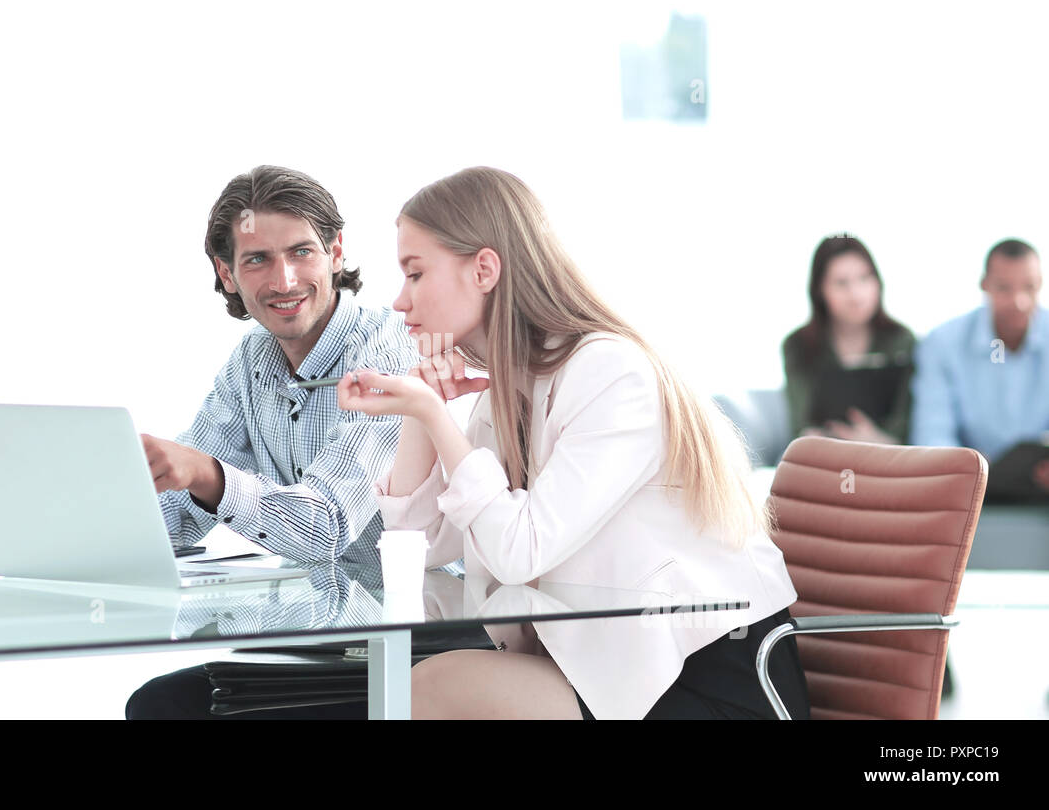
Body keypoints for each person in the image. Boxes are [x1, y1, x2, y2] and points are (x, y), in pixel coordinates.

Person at [338, 167, 810, 719]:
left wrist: (431, 416)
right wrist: (421, 407)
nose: (399, 302)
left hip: (706, 686)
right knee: (414, 684)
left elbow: (520, 551)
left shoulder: (611, 374)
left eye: (415, 274)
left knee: (434, 688)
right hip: (607, 672)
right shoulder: (510, 390)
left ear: (484, 269)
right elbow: (420, 543)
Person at [125, 165, 418, 719]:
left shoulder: (389, 349)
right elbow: (182, 519)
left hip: (408, 638)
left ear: (335, 252)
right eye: (257, 259)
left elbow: (327, 527)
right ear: (227, 272)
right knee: (158, 705)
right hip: (311, 634)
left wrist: (205, 474)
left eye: (302, 252)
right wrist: (95, 513)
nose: (284, 281)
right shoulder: (250, 363)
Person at [911, 238, 1049, 494]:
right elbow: (932, 436)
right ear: (984, 285)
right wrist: (964, 469)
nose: (1018, 301)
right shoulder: (943, 343)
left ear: (1040, 284)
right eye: (1004, 288)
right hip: (965, 495)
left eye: (1029, 287)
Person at [782, 234, 914, 444]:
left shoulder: (901, 340)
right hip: (823, 453)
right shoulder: (798, 345)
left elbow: (907, 420)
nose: (856, 294)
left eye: (864, 278)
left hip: (886, 453)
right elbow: (800, 422)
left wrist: (877, 440)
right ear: (820, 290)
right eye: (841, 283)